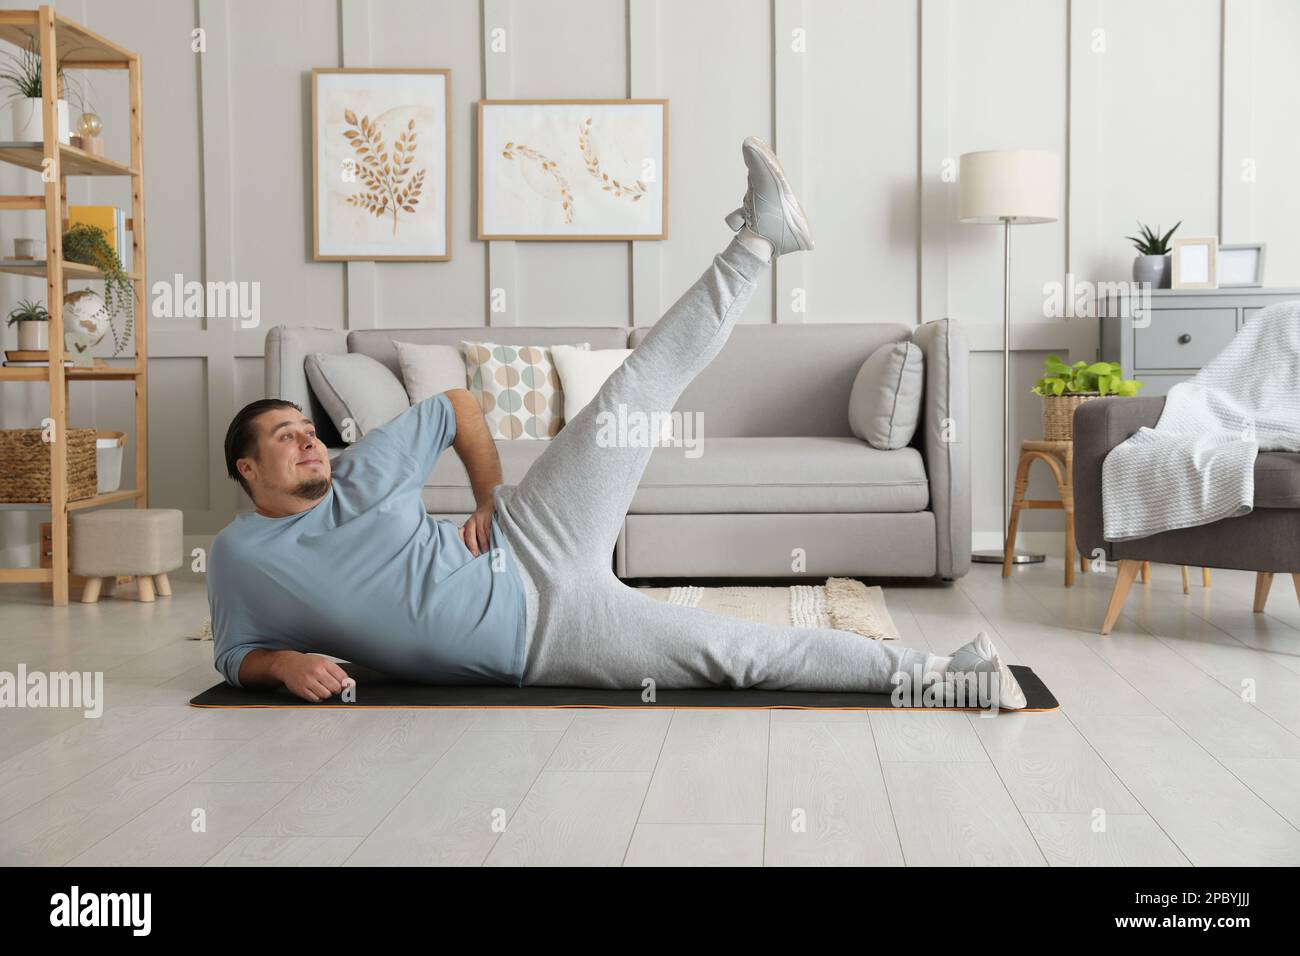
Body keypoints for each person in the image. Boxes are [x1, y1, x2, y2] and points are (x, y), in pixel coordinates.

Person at [209, 136, 1027, 710]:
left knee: (635, 390)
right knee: (738, 655)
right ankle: (945, 675)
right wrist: (281, 664)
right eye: (284, 435)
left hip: (527, 535)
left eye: (306, 427)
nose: (307, 436)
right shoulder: (242, 557)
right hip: (550, 637)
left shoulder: (362, 467)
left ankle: (759, 240)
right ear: (247, 470)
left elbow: (456, 406)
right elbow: (233, 654)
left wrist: (491, 496)